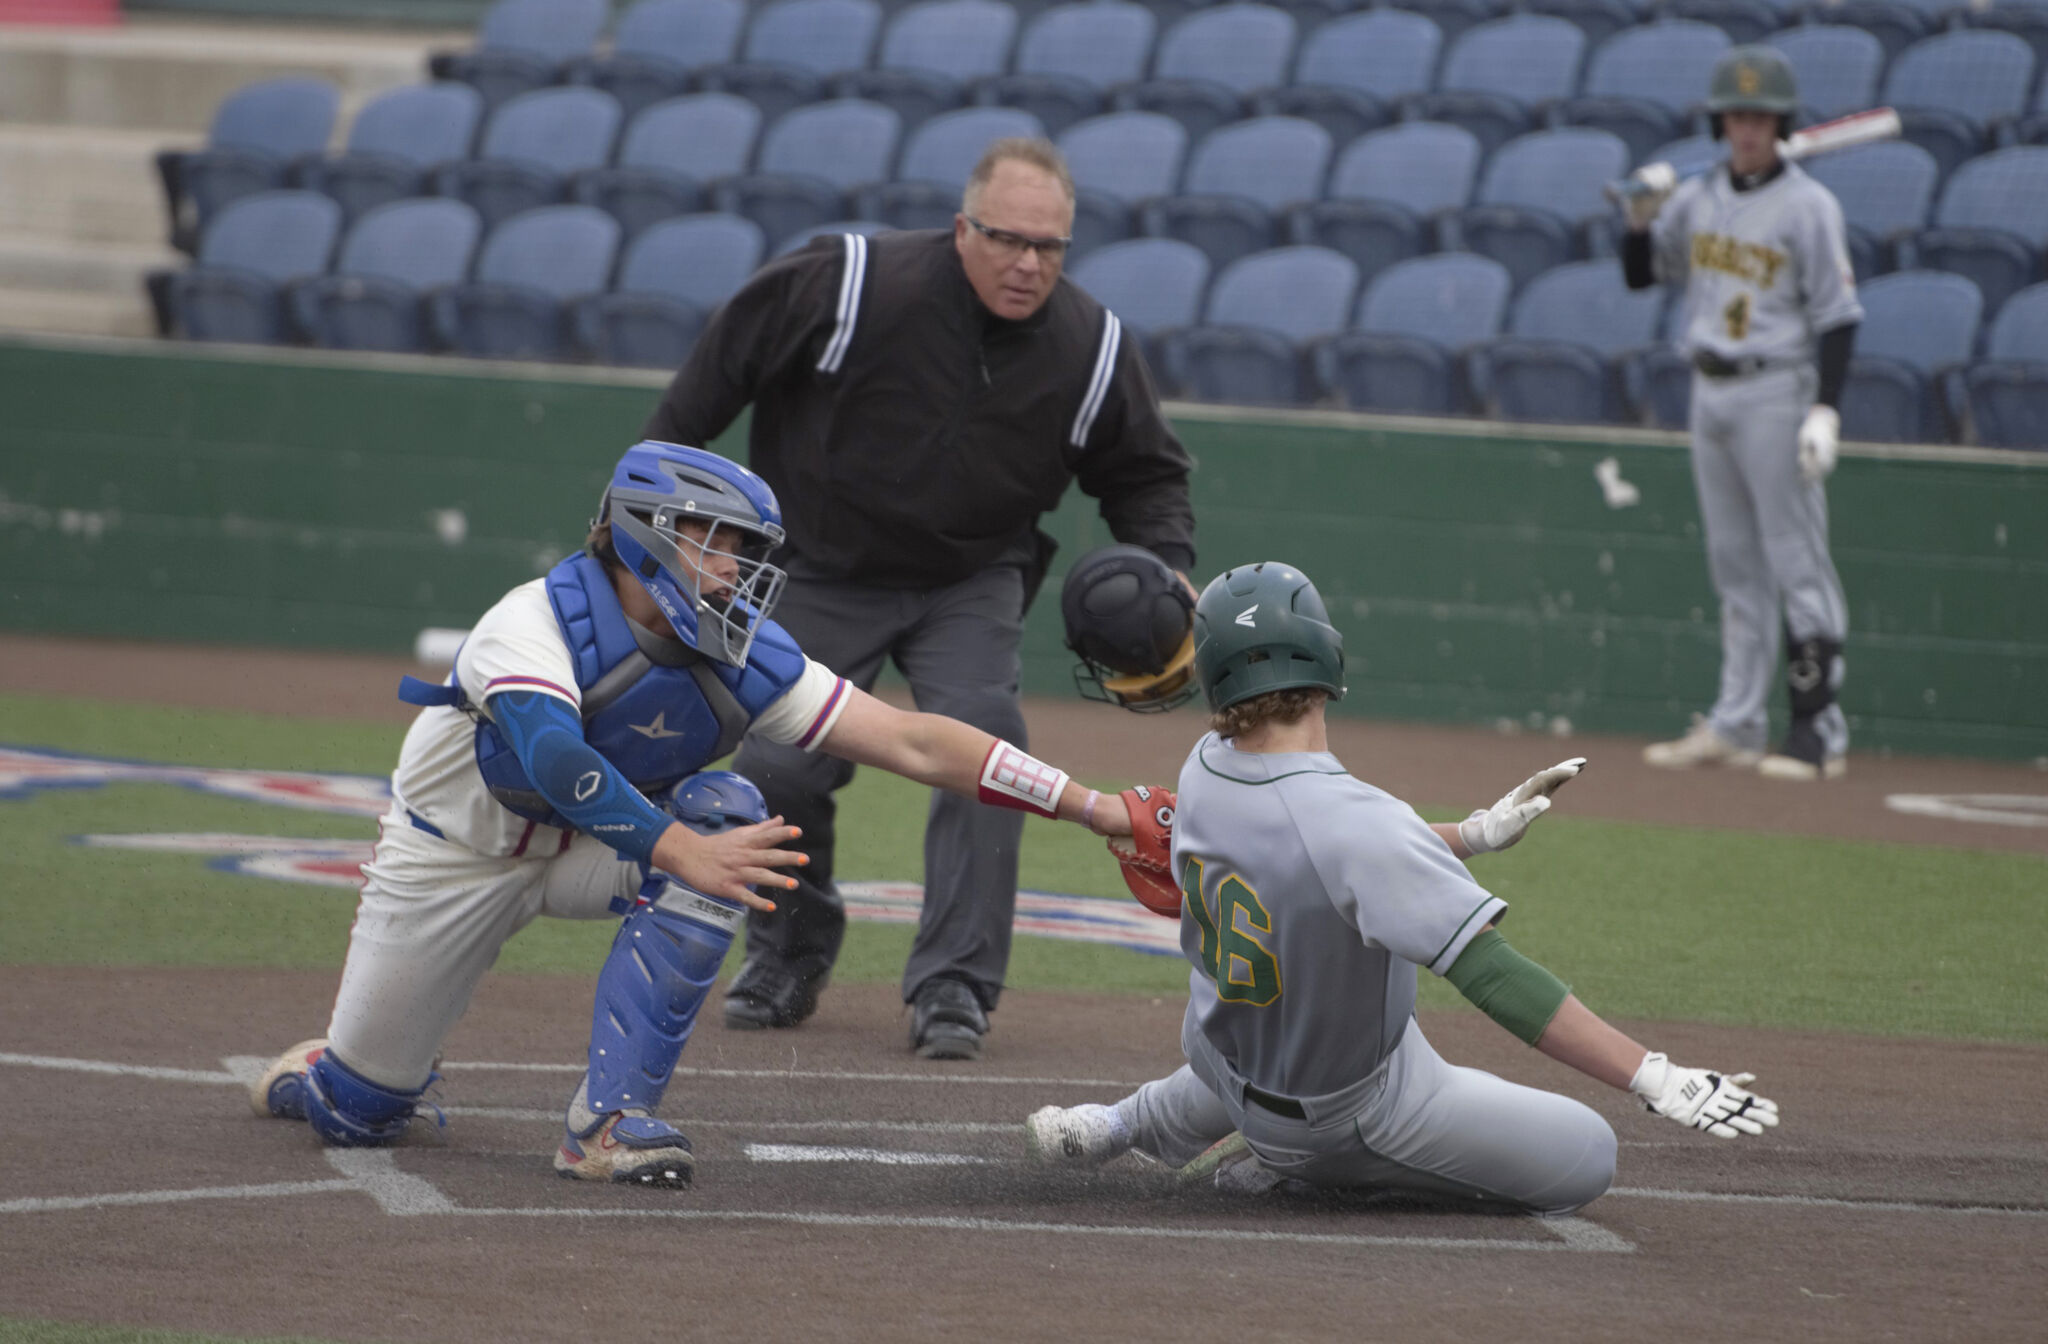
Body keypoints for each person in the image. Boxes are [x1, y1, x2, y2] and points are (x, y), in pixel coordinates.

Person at [247, 440, 1141, 1187]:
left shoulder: (741, 651)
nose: (738, 571)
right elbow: (555, 758)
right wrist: (677, 848)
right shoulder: (531, 624)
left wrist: (1090, 805)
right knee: (361, 1117)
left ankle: (608, 1122)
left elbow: (912, 741)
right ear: (642, 538)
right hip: (451, 853)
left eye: (745, 550)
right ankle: (325, 1074)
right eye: (714, 544)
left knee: (729, 820)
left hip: (592, 849)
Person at [641, 137, 1196, 1057]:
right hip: (818, 563)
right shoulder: (851, 280)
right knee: (775, 762)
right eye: (1006, 239)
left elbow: (1146, 473)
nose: (1028, 264)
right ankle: (790, 948)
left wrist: (1167, 562)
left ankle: (954, 986)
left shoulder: (1091, 344)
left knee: (989, 746)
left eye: (1049, 247)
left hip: (968, 579)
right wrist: (663, 493)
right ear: (960, 229)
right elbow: (719, 369)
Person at [1025, 563, 1780, 1213]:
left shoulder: (1205, 766)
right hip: (1340, 1112)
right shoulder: (1360, 824)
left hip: (1228, 1055)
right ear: (1323, 659)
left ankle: (1122, 1123)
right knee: (1588, 1155)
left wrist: (1471, 836)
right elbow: (1495, 975)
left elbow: (1330, 863)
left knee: (1268, 1036)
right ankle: (1313, 1172)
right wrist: (1655, 1075)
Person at [1619, 46, 1862, 781]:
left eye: (1760, 117)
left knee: (1795, 558)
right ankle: (1736, 721)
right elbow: (1641, 275)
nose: (1747, 129)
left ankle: (1820, 731)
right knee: (1734, 565)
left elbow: (1840, 316)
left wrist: (1825, 409)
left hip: (1776, 386)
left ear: (1779, 123)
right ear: (1721, 123)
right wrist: (1637, 219)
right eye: (1736, 116)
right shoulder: (1697, 198)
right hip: (1709, 384)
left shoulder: (1810, 206)